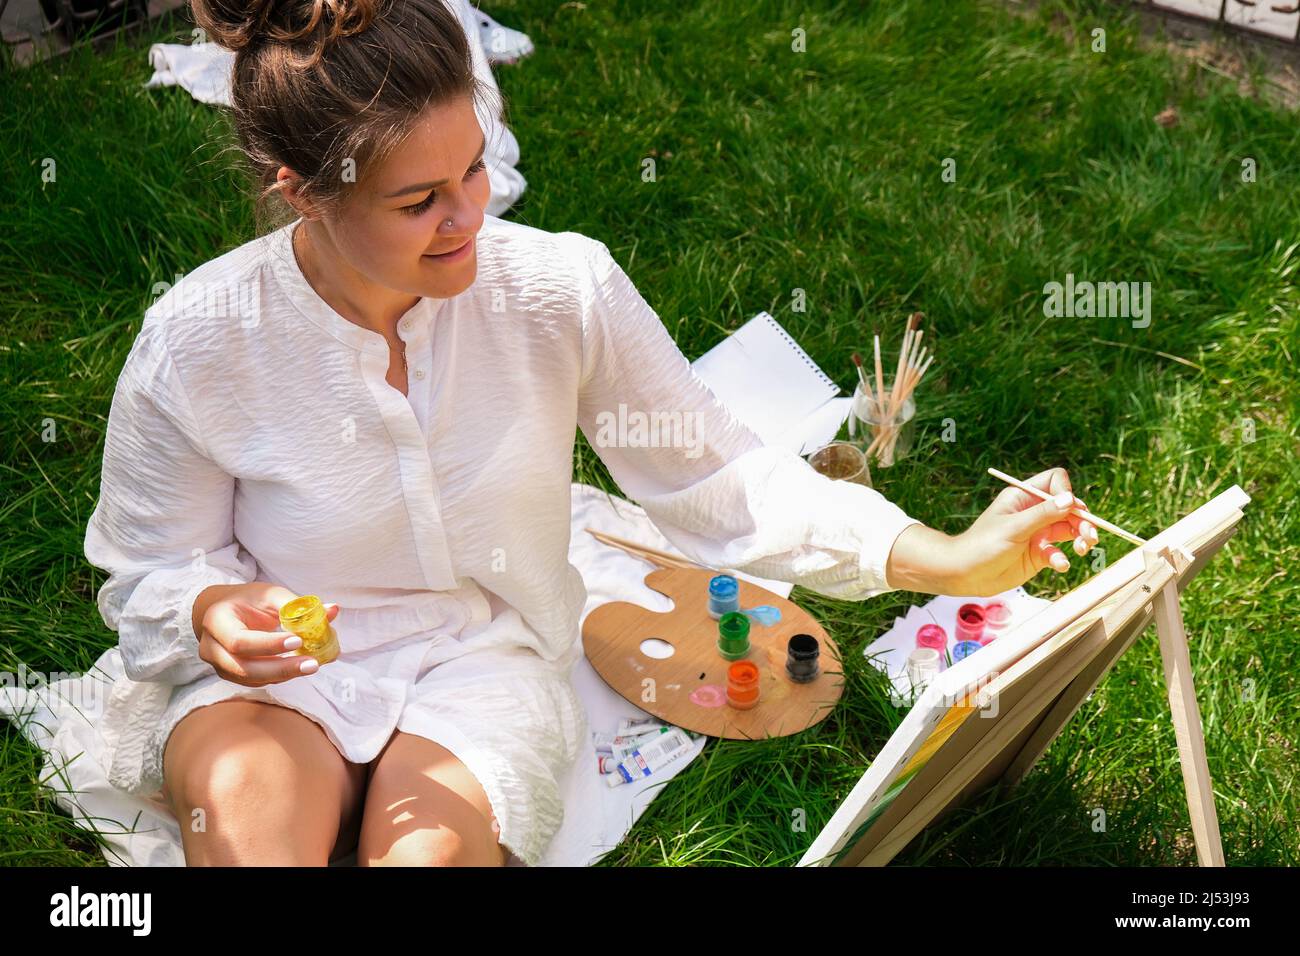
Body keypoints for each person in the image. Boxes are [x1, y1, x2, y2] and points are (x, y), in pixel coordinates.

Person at [82, 0, 1099, 867]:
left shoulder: (559, 287)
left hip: (477, 658)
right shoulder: (201, 340)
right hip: (272, 680)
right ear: (300, 190)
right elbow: (147, 565)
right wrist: (210, 606)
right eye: (418, 199)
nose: (468, 216)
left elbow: (721, 476)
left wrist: (951, 557)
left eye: (475, 170)